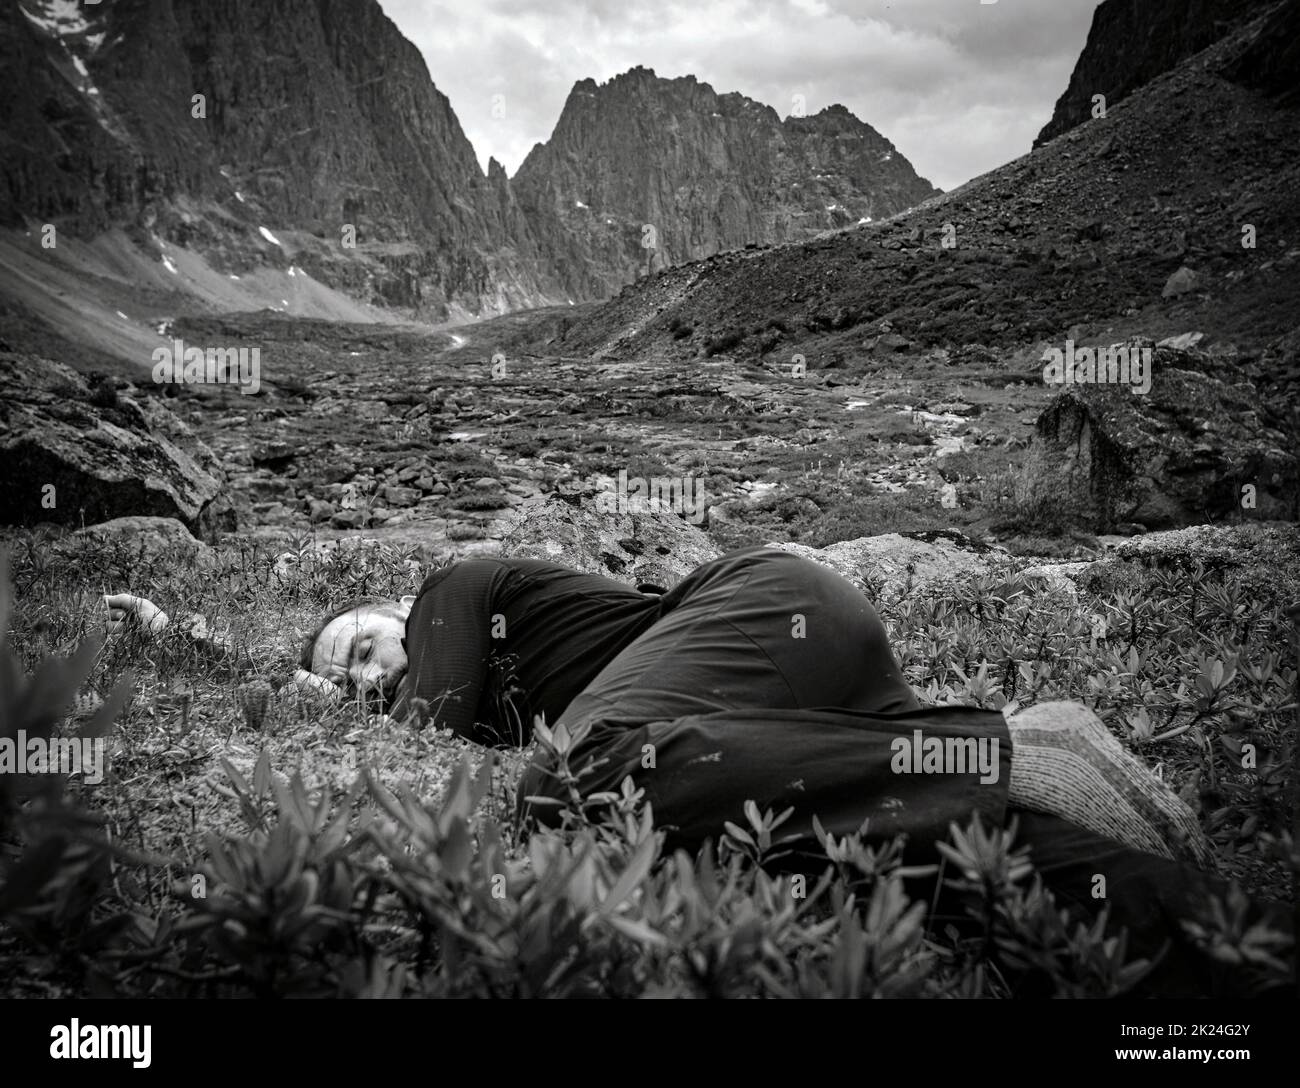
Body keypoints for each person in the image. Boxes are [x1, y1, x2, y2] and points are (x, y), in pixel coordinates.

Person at [113, 545, 1291, 995]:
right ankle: (1192, 930)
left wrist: (264, 669)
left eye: (360, 645)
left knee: (581, 785)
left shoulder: (455, 590)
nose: (373, 675)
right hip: (785, 721)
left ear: (390, 605)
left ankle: (996, 742)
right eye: (354, 676)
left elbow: (429, 704)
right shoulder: (486, 690)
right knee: (823, 850)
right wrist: (193, 636)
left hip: (774, 606)